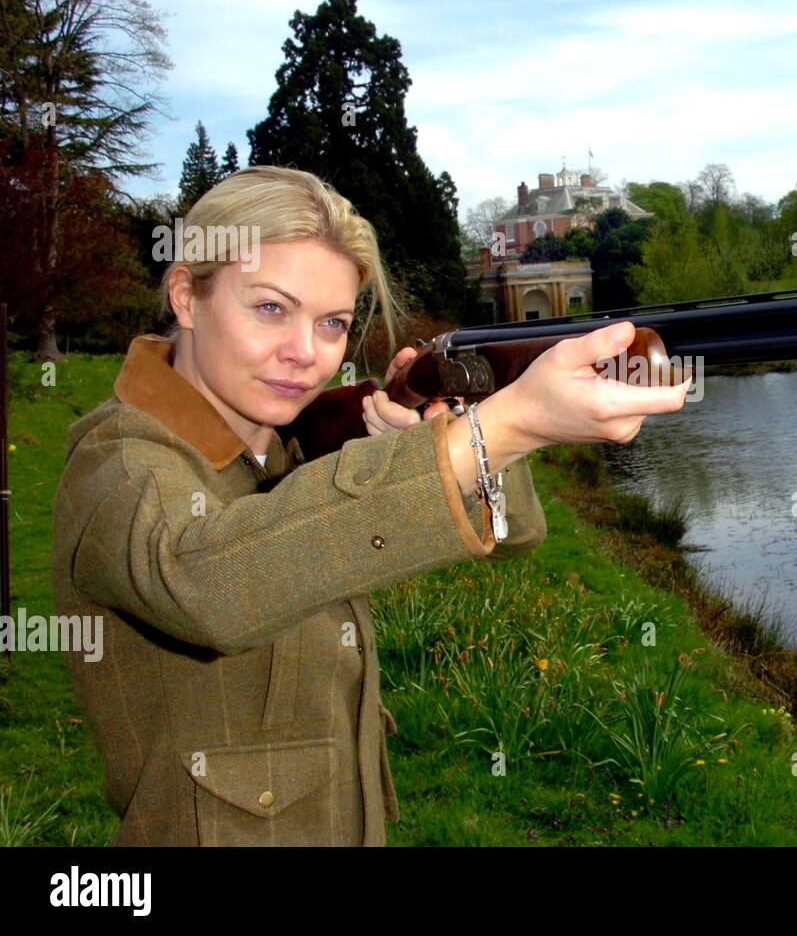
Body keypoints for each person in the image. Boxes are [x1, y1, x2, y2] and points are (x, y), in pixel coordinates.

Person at [50, 165, 690, 846]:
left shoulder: (283, 442)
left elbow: (517, 534)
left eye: (332, 323)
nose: (304, 352)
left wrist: (439, 438)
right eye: (270, 307)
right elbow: (208, 582)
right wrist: (505, 427)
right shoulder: (120, 463)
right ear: (186, 295)